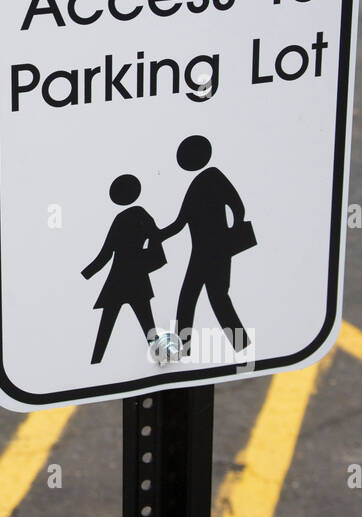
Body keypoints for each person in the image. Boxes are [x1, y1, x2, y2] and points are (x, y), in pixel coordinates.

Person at [159, 134, 256, 355]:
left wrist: (230, 234)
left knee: (207, 296)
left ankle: (238, 346)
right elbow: (180, 223)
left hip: (215, 250)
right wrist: (157, 236)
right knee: (202, 297)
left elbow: (237, 206)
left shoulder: (212, 177)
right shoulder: (198, 183)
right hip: (203, 251)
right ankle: (190, 348)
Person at [81, 174, 166, 364]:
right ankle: (161, 358)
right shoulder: (142, 214)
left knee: (107, 325)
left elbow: (105, 253)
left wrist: (85, 275)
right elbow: (158, 235)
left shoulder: (121, 219)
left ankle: (95, 362)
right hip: (136, 276)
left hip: (119, 279)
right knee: (147, 322)